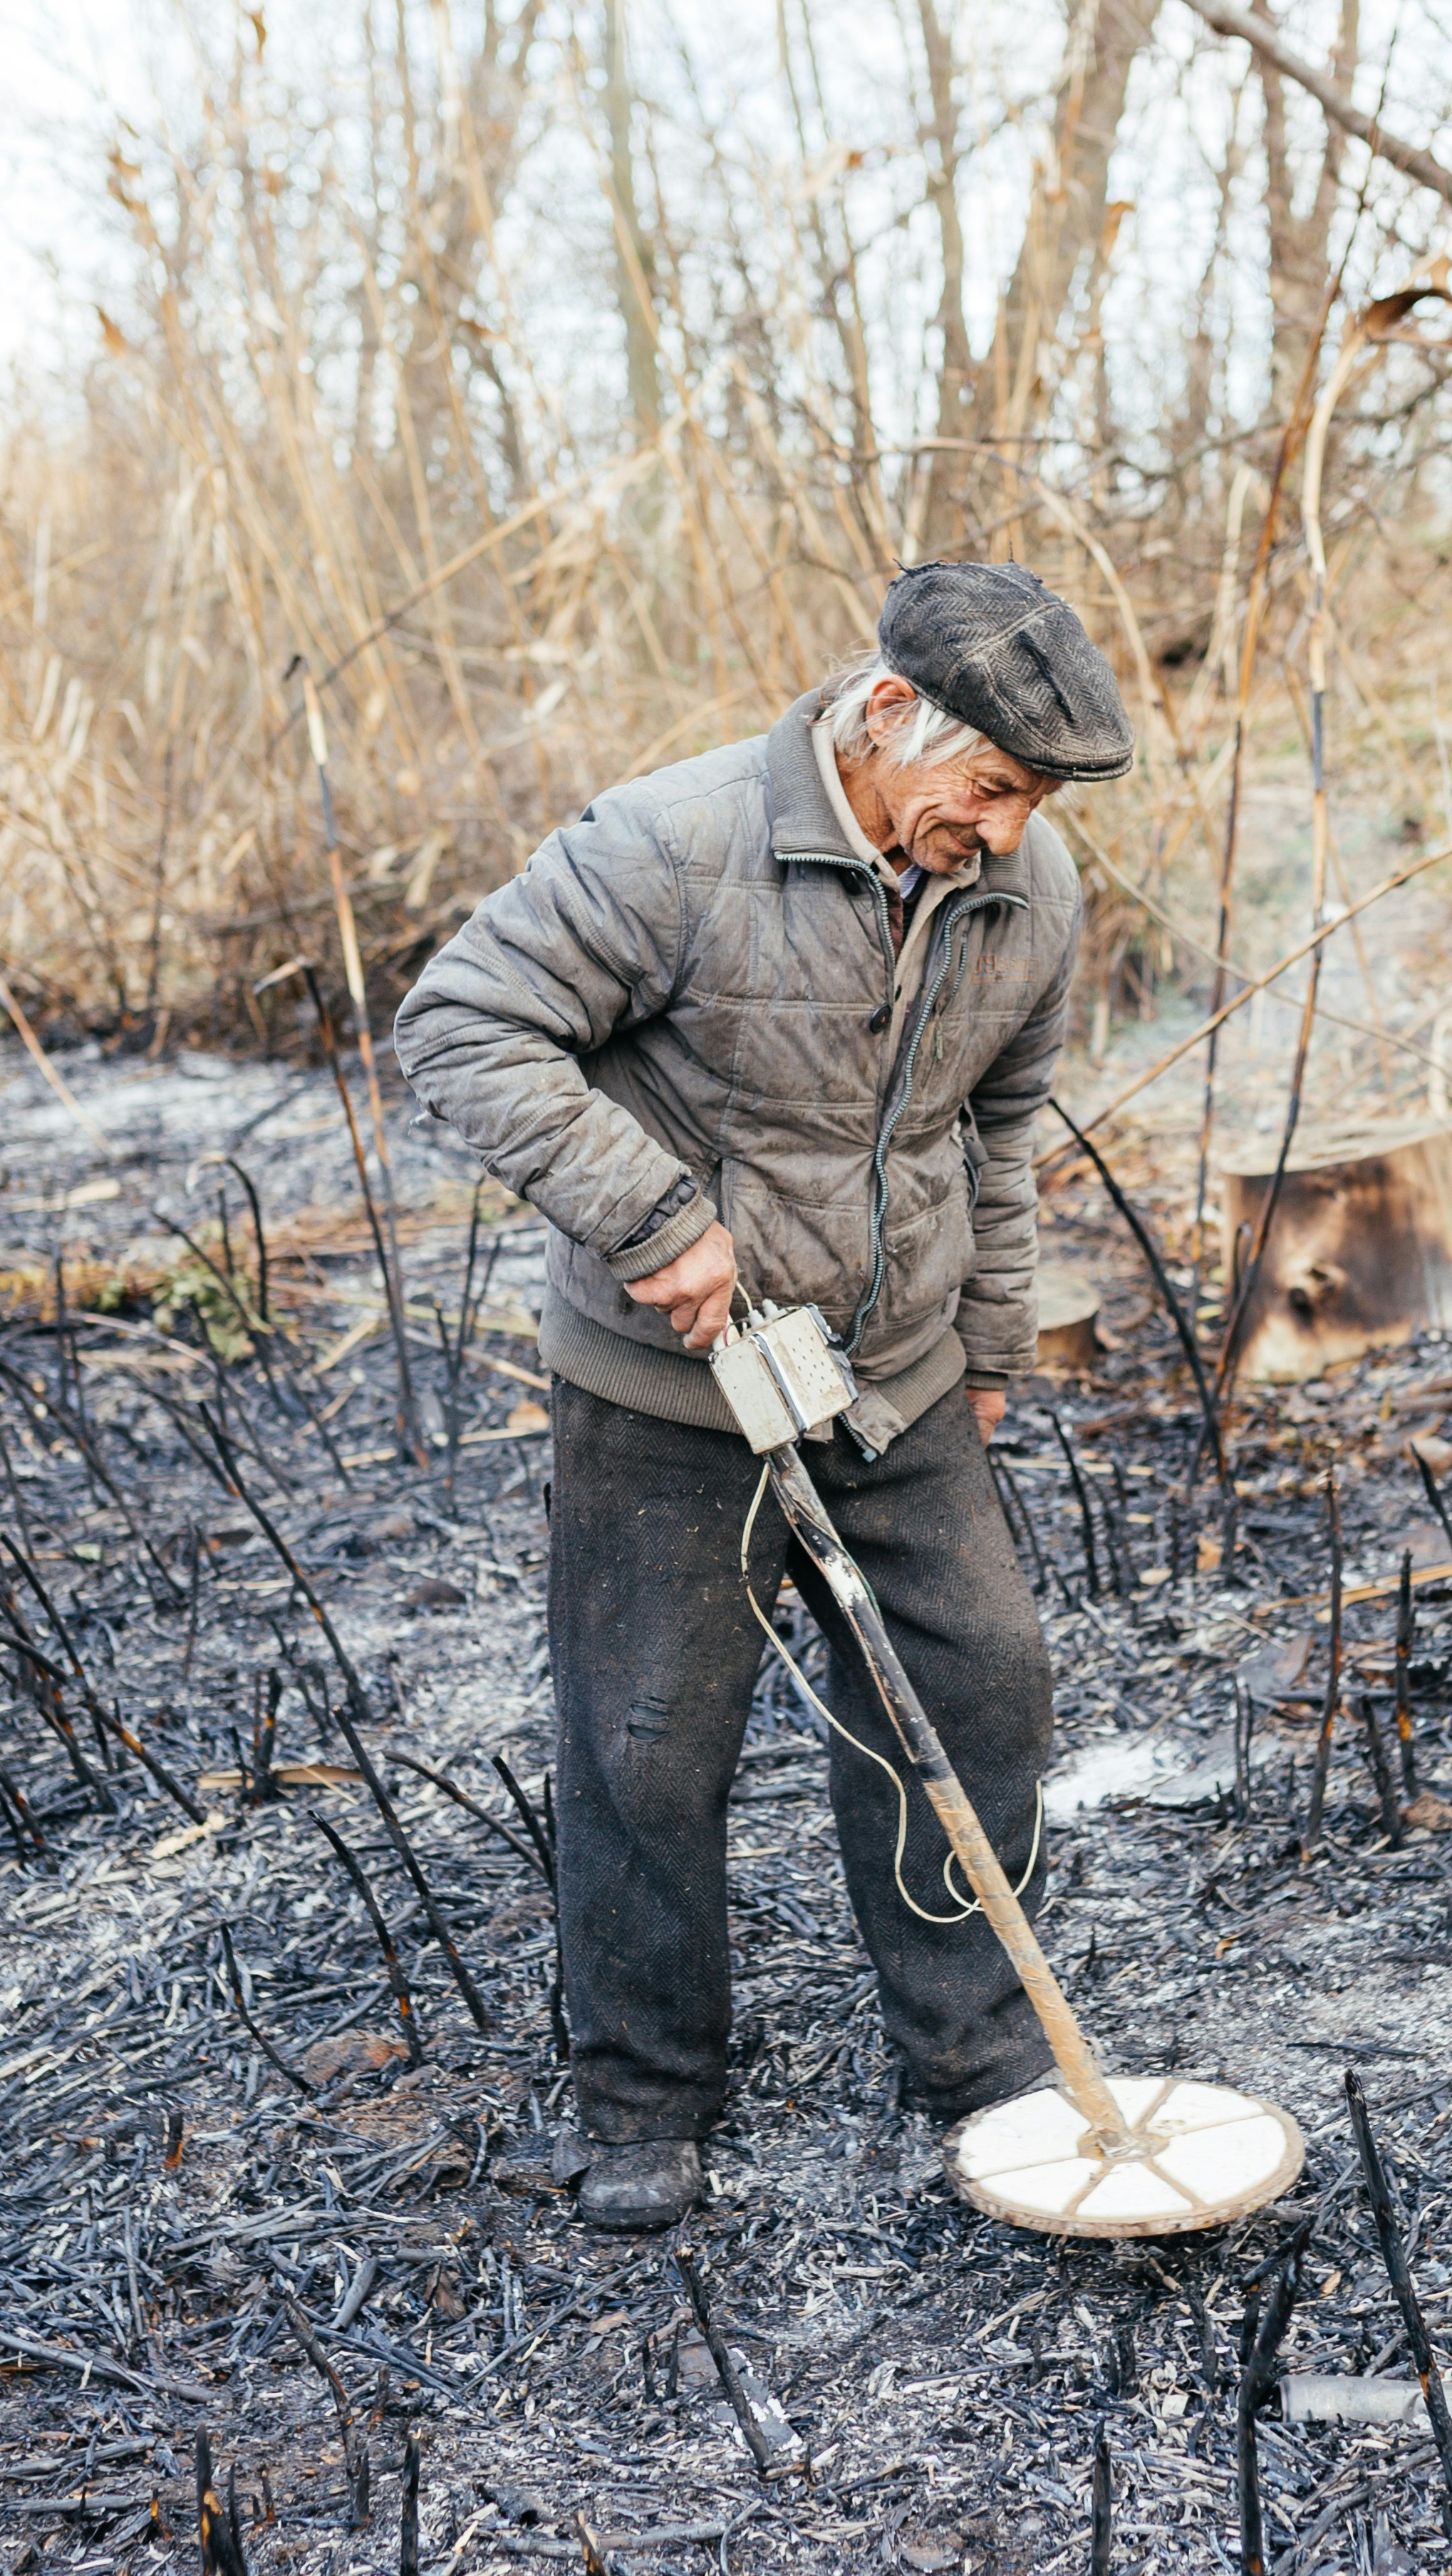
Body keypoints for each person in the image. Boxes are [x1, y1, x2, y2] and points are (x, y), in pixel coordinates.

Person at [394, 562, 1131, 2232]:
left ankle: (976, 2064)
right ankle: (644, 2099)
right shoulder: (673, 843)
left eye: (1034, 802)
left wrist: (994, 1347)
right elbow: (463, 1024)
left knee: (982, 1679)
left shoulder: (1033, 893)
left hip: (899, 1376)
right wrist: (654, 1218)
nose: (1007, 832)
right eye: (992, 787)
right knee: (650, 1742)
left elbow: (998, 1135)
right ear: (886, 718)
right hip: (671, 1390)